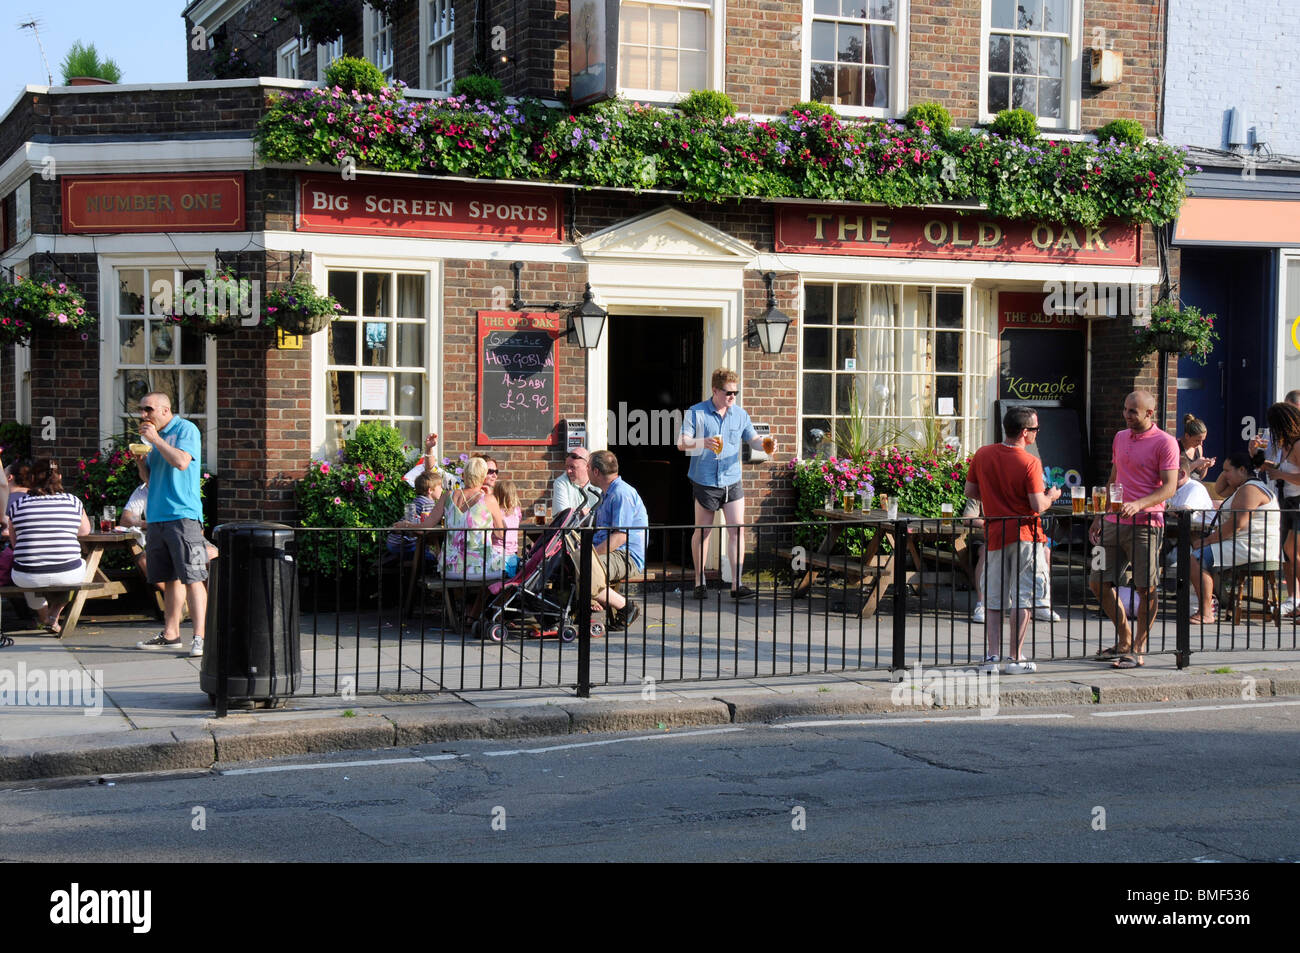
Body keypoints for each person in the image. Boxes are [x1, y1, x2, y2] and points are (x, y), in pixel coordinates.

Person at [964, 407, 1060, 675]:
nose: (1037, 434)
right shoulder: (1029, 462)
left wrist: (997, 496)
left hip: (995, 532)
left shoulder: (983, 454)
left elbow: (971, 491)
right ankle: (1015, 658)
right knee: (1022, 598)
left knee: (993, 599)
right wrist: (1052, 495)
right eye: (1036, 430)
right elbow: (1037, 504)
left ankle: (992, 657)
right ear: (1025, 432)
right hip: (1025, 534)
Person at [1088, 390, 1179, 669]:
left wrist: (1139, 504)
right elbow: (1114, 478)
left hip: (1146, 526)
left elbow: (1169, 487)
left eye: (1133, 412)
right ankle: (1125, 638)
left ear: (1149, 414)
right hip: (1113, 523)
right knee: (1097, 581)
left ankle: (1137, 649)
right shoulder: (1119, 437)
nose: (1127, 416)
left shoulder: (1166, 443)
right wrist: (1099, 515)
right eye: (1125, 410)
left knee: (1145, 587)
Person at [677, 367, 772, 600]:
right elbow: (681, 443)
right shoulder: (696, 412)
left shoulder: (740, 414)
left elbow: (754, 440)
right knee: (704, 531)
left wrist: (768, 444)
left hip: (732, 480)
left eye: (736, 393)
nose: (732, 397)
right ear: (715, 390)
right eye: (728, 393)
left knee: (736, 529)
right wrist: (703, 442)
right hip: (705, 480)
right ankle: (700, 582)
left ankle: (736, 584)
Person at [133, 392, 209, 657]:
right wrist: (142, 465)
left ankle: (200, 637)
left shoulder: (185, 430)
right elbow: (152, 480)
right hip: (156, 516)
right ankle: (171, 633)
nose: (144, 415)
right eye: (142, 410)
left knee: (193, 576)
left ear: (165, 410)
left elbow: (181, 462)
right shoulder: (153, 438)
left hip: (183, 516)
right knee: (169, 579)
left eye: (149, 409)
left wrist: (154, 440)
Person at [1188, 452, 1280, 627]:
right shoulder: (1243, 486)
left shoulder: (1250, 490)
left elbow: (1237, 524)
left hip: (1251, 546)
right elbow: (1220, 489)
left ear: (1242, 470)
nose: (1225, 475)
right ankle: (1209, 602)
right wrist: (1229, 470)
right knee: (1198, 553)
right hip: (1244, 543)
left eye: (1228, 471)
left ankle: (1206, 612)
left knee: (1197, 558)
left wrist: (1209, 540)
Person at [6, 459, 90, 635]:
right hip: (67, 573)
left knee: (26, 565)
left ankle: (47, 616)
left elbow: (15, 544)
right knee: (83, 566)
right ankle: (55, 613)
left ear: (32, 479)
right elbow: (84, 531)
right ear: (58, 476)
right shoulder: (73, 501)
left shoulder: (18, 505)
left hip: (25, 576)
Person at [574, 450, 648, 630]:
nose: (587, 471)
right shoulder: (607, 494)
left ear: (596, 472)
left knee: (585, 566)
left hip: (626, 555)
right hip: (612, 552)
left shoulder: (621, 493)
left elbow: (620, 537)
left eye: (588, 468)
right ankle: (576, 611)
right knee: (572, 561)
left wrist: (590, 554)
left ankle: (625, 606)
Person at [423, 455, 505, 580]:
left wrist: (406, 525)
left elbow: (425, 526)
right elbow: (500, 534)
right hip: (481, 568)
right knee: (507, 574)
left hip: (450, 568)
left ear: (463, 475)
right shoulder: (489, 499)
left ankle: (460, 599)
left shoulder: (447, 496)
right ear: (483, 477)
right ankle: (479, 600)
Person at [1258, 401, 1300, 615]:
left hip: (1298, 503)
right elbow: (1279, 469)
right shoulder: (1286, 446)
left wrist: (1281, 474)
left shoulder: (1298, 445)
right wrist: (1257, 457)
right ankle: (1293, 599)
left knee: (1294, 551)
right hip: (1286, 503)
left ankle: (1297, 598)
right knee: (1287, 553)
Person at [386, 471, 441, 559]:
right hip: (405, 544)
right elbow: (429, 527)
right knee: (433, 557)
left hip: (394, 542)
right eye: (440, 487)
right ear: (430, 490)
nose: (442, 490)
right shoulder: (428, 504)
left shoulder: (417, 500)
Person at [551, 446, 599, 515]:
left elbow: (607, 512)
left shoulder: (599, 481)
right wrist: (590, 512)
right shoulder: (561, 482)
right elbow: (564, 517)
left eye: (572, 467)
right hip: (571, 526)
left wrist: (580, 514)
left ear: (587, 467)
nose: (568, 471)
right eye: (567, 467)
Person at [493, 479, 523, 574]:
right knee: (509, 582)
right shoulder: (516, 511)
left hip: (497, 554)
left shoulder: (496, 512)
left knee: (498, 581)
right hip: (513, 555)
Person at [1178, 414, 1215, 482]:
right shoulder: (1176, 447)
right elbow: (1176, 475)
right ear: (1187, 436)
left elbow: (1199, 477)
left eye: (1202, 440)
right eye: (1197, 440)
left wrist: (1205, 466)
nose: (1200, 444)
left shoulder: (1198, 448)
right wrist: (1195, 464)